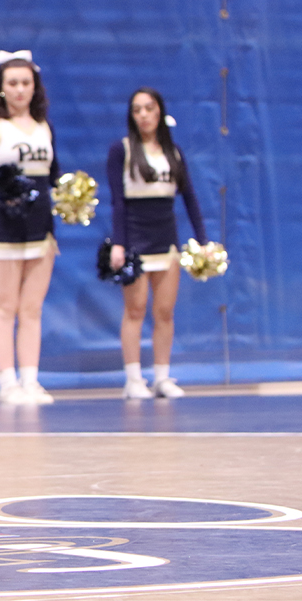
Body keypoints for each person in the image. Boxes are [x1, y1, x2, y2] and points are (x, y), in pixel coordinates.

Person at [0, 52, 61, 406]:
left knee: (31, 309)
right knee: (4, 308)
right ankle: (7, 382)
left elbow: (54, 177)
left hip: (41, 229)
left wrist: (71, 197)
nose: (20, 90)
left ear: (35, 87)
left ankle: (31, 380)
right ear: (1, 89)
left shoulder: (45, 127)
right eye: (12, 83)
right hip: (2, 226)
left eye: (26, 83)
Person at [104, 88, 206, 400]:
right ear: (131, 116)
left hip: (167, 242)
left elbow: (189, 198)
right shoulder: (120, 151)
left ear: (159, 111)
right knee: (134, 311)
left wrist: (202, 241)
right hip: (135, 242)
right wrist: (119, 244)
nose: (144, 115)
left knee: (164, 312)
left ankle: (162, 377)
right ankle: (133, 379)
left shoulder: (173, 153)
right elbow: (117, 202)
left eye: (149, 108)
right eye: (137, 110)